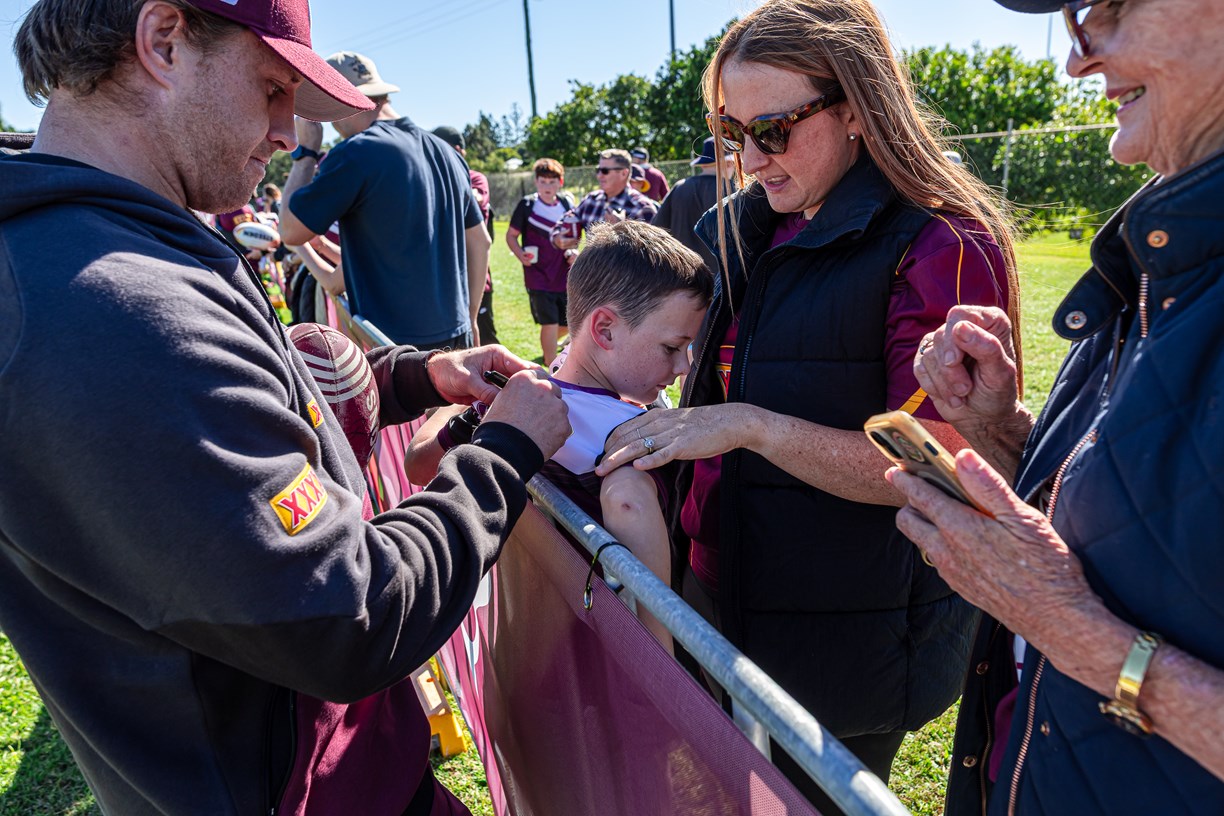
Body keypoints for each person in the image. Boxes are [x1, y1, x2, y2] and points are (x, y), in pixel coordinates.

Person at [0, 2, 570, 815]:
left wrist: (415, 375)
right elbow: (354, 611)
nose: (285, 130)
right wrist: (506, 451)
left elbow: (243, 402)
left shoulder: (114, 245)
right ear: (163, 41)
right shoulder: (107, 309)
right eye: (271, 88)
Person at [597, 1, 1021, 811]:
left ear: (858, 109)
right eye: (731, 133)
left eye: (775, 130)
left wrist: (749, 426)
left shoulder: (942, 243)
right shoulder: (752, 226)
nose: (750, 159)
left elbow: (934, 468)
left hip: (848, 631)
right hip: (724, 591)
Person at [887, 1, 1224, 813]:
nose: (1077, 60)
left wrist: (1072, 630)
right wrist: (1000, 432)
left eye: (1105, 6)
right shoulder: (1156, 256)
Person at [406, 221, 713, 651]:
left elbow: (416, 463)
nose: (683, 367)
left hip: (520, 637)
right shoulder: (620, 433)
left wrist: (470, 406)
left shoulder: (524, 396)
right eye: (671, 347)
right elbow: (628, 503)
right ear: (603, 330)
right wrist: (662, 663)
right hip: (596, 656)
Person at [278, 52, 491, 348]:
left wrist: (306, 154)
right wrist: (469, 319)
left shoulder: (356, 153)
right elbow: (481, 241)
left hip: (396, 351)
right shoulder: (446, 152)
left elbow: (290, 230)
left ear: (340, 98)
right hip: (457, 336)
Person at [433, 124, 500, 345]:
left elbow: (476, 198)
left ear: (461, 151)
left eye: (449, 151)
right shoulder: (435, 181)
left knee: (485, 338)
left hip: (476, 277)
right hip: (447, 277)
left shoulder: (474, 178)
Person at [506, 157, 577, 366]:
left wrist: (573, 250)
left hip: (564, 274)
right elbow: (511, 236)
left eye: (552, 181)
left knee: (567, 324)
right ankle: (551, 366)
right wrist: (520, 255)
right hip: (538, 275)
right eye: (543, 181)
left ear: (560, 182)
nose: (547, 186)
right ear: (536, 182)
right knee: (550, 322)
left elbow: (574, 234)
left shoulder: (566, 204)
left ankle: (551, 351)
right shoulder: (527, 205)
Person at [550, 148, 659, 262]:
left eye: (605, 171)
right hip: (592, 277)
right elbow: (565, 220)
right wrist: (557, 238)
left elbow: (654, 258)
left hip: (625, 280)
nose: (599, 176)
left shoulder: (642, 208)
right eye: (598, 170)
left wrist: (622, 231)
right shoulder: (591, 200)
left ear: (624, 173)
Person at [652, 135, 736, 273]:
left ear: (702, 163)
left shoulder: (680, 187)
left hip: (683, 278)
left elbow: (656, 231)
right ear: (728, 163)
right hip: (726, 281)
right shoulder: (734, 190)